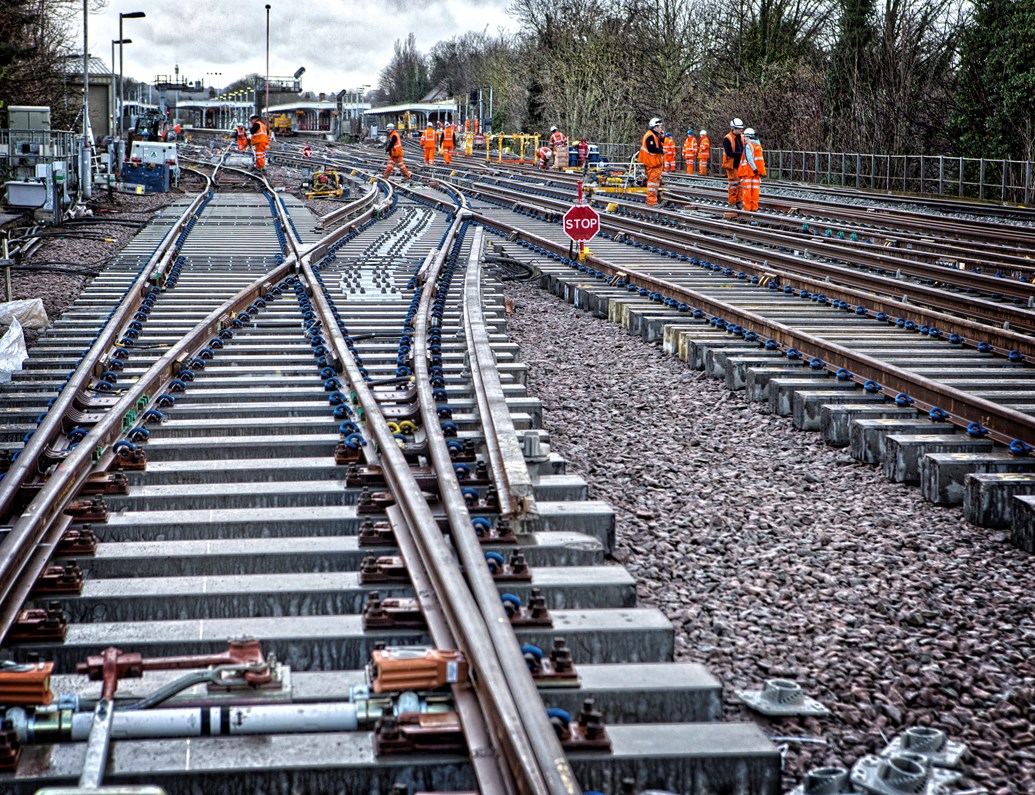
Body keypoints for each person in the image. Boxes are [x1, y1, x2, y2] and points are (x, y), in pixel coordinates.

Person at [638, 117, 665, 207]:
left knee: (654, 183)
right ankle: (652, 202)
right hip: (652, 163)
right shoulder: (650, 136)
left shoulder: (653, 135)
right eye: (659, 126)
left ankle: (653, 200)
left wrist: (662, 138)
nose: (661, 128)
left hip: (654, 163)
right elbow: (652, 148)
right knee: (652, 184)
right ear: (655, 127)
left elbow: (658, 145)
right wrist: (662, 151)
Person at [721, 118, 745, 207]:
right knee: (733, 184)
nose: (740, 130)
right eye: (739, 128)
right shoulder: (727, 138)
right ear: (733, 128)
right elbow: (729, 153)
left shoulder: (742, 137)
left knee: (740, 184)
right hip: (731, 165)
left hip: (740, 164)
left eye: (741, 129)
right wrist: (741, 154)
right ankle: (732, 202)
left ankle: (738, 201)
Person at [741, 127, 766, 211]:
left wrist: (754, 169)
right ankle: (754, 207)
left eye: (744, 136)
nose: (744, 138)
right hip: (757, 173)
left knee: (747, 190)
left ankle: (747, 208)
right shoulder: (758, 145)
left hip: (748, 171)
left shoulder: (748, 145)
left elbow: (749, 159)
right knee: (755, 190)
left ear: (747, 136)